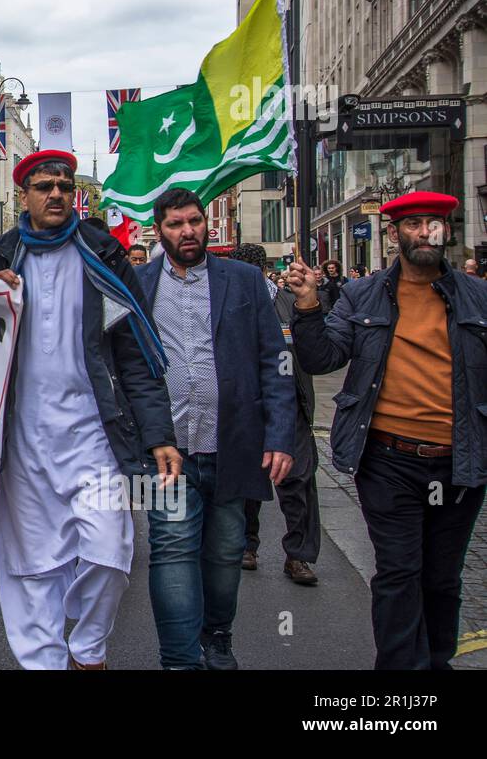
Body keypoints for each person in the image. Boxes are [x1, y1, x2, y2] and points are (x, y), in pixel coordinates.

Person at [0, 150, 178, 670]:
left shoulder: (103, 258)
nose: (57, 194)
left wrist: (158, 435)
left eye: (64, 186)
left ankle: (88, 650)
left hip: (94, 435)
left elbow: (135, 355)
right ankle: (43, 661)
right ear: (25, 196)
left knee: (110, 550)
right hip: (21, 441)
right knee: (31, 566)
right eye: (44, 186)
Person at [288, 192, 487, 670]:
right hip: (387, 460)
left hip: (457, 462)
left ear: (446, 231)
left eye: (433, 224)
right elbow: (322, 359)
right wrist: (309, 306)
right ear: (394, 234)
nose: (424, 233)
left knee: (441, 578)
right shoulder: (363, 294)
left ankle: (436, 663)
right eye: (413, 224)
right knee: (398, 572)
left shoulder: (478, 296)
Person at [135, 189, 295, 670]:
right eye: (175, 224)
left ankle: (217, 638)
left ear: (206, 224)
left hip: (232, 444)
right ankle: (180, 661)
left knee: (225, 556)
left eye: (194, 221)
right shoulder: (138, 284)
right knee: (172, 553)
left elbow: (275, 361)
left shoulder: (244, 280)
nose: (188, 231)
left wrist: (280, 435)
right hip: (167, 454)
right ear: (159, 231)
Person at [228, 244, 321, 586]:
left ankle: (298, 555)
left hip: (289, 401)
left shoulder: (288, 302)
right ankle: (246, 545)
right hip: (244, 405)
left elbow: (311, 348)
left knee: (297, 480)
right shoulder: (224, 305)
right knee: (247, 480)